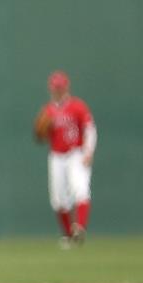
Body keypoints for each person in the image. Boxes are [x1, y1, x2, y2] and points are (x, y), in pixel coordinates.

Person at [35, 70, 96, 246]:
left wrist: (88, 151)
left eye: (60, 87)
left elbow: (90, 129)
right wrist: (41, 131)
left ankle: (80, 228)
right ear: (51, 88)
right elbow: (40, 136)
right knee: (58, 199)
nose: (58, 90)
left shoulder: (77, 106)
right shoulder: (48, 111)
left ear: (66, 87)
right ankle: (70, 236)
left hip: (76, 153)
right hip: (57, 157)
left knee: (80, 189)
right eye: (55, 87)